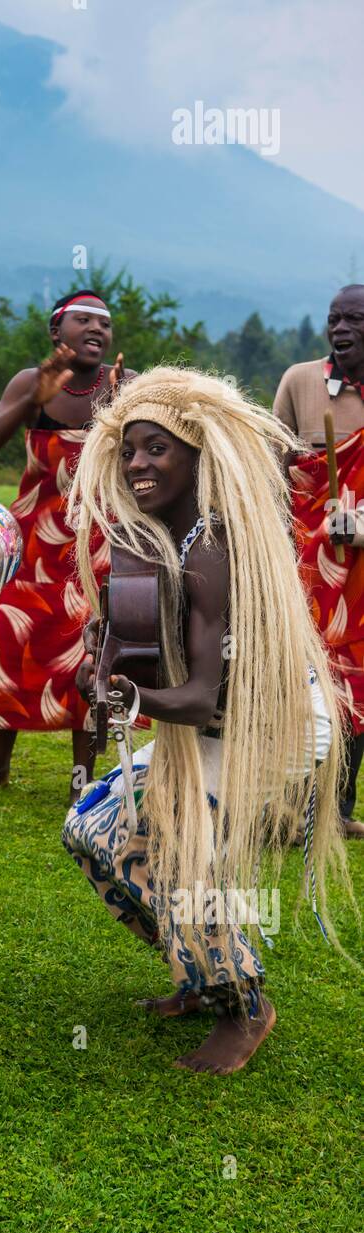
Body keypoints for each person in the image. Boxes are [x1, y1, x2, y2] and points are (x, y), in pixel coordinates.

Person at [63, 368, 346, 1075]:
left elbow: (195, 699)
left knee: (168, 852)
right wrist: (103, 671)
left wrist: (124, 698)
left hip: (268, 725)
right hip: (209, 719)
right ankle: (197, 973)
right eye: (128, 452)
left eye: (156, 449)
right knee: (89, 830)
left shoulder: (213, 547)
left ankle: (243, 1005)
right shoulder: (164, 535)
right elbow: (145, 648)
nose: (136, 465)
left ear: (195, 453)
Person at [0, 291, 134, 800]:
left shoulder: (127, 386)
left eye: (104, 323)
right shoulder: (29, 382)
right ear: (58, 332)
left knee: (91, 649)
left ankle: (83, 775)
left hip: (97, 542)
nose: (96, 329)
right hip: (32, 540)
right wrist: (34, 397)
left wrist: (126, 409)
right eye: (83, 320)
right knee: (12, 645)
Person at [274, 284, 364, 838]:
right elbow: (275, 464)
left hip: (360, 577)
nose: (341, 328)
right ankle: (290, 806)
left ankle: (339, 809)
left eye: (354, 319)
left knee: (358, 685)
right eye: (335, 319)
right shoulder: (300, 380)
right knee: (305, 676)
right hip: (308, 568)